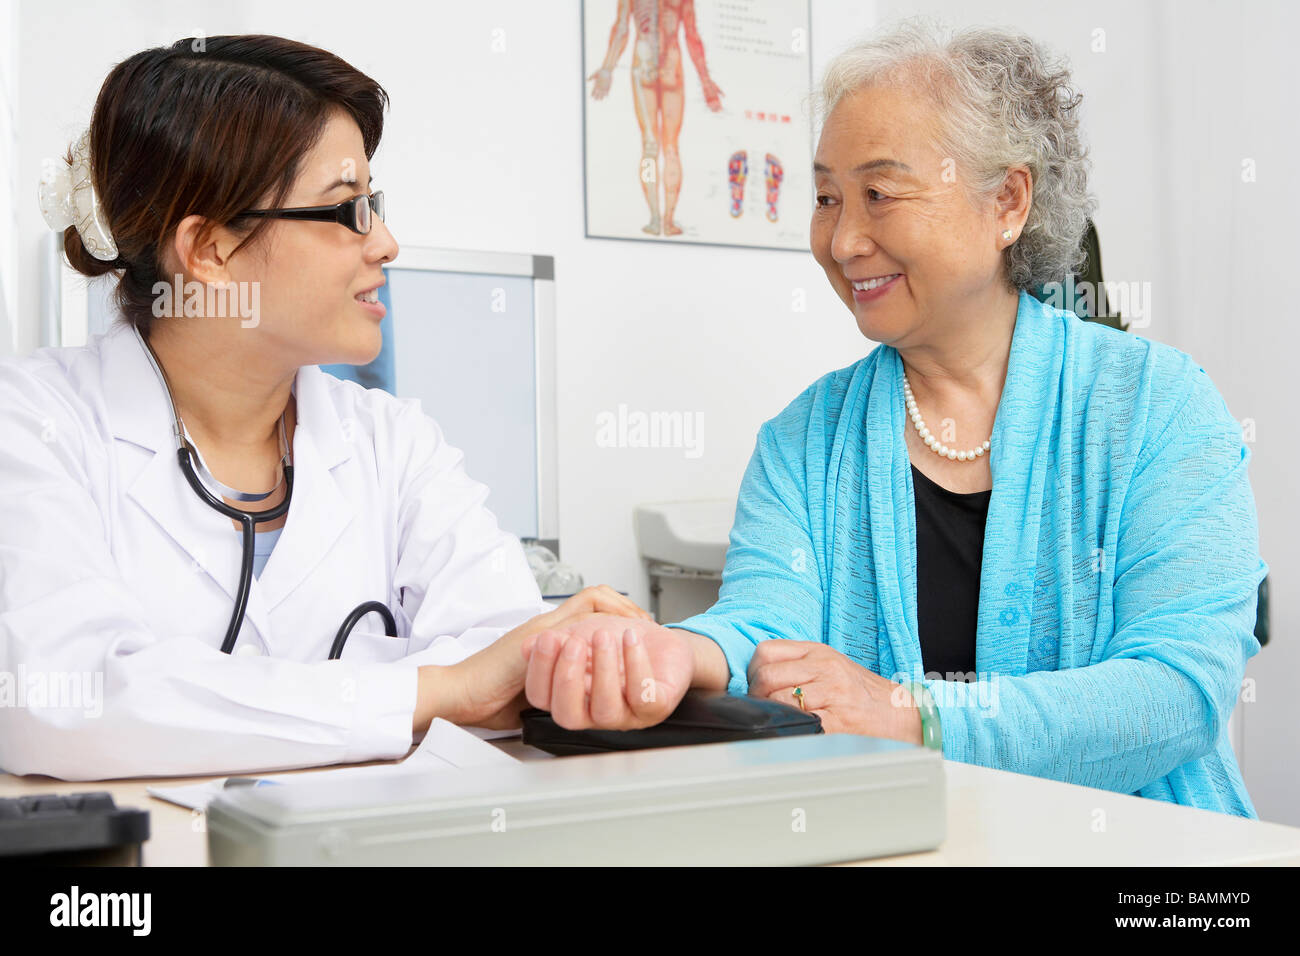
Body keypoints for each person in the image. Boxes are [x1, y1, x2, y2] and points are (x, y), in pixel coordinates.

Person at [521, 19, 1269, 818]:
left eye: (879, 194)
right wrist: (676, 651)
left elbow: (1177, 690)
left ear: (1007, 202)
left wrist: (911, 719)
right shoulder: (805, 440)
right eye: (826, 198)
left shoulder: (1157, 404)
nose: (842, 241)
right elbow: (765, 623)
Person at [0, 35, 648, 781]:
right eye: (347, 210)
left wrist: (194, 703)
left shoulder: (391, 444)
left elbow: (510, 658)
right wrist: (430, 689)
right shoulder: (36, 425)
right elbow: (68, 698)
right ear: (208, 250)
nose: (387, 244)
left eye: (376, 204)